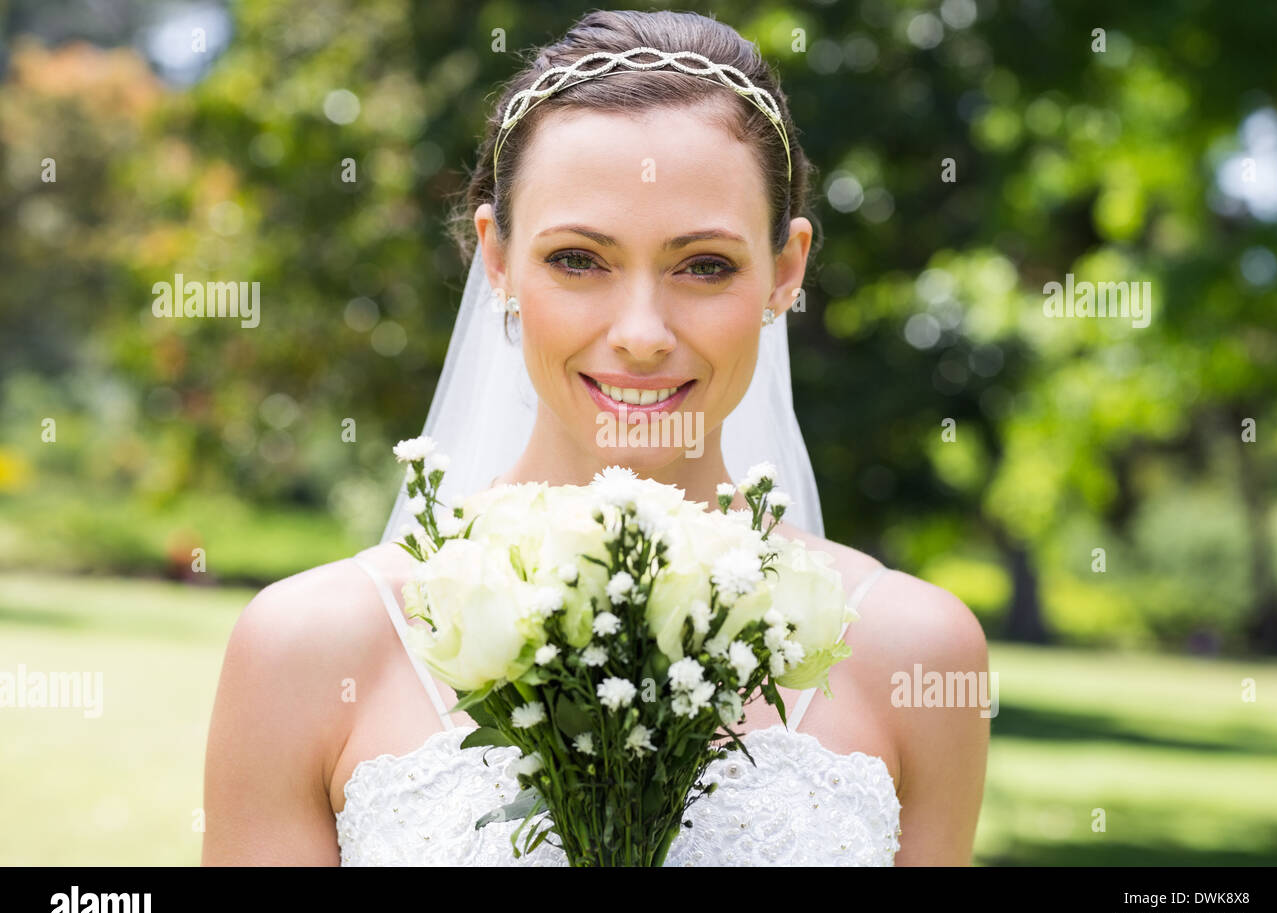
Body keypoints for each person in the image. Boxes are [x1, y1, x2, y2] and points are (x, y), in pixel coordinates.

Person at [201, 8, 988, 866]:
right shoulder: (307, 647)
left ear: (785, 271)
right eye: (579, 259)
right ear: (496, 259)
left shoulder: (915, 651)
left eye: (704, 265)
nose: (642, 332)